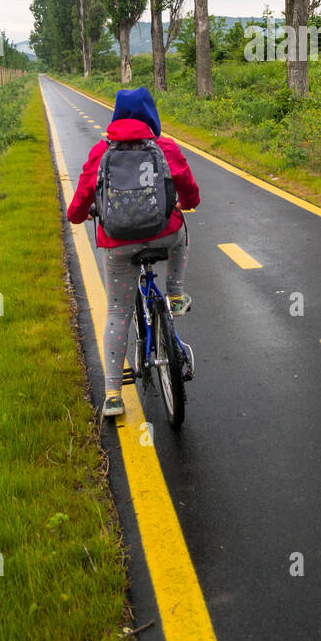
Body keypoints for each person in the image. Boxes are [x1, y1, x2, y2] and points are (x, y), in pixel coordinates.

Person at [67, 86, 200, 418]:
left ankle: (113, 394)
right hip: (164, 236)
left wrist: (79, 216)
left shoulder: (101, 151)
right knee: (181, 227)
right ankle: (176, 294)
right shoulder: (165, 147)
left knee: (117, 313)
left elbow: (81, 200)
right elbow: (189, 190)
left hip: (119, 244)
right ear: (150, 115)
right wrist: (188, 203)